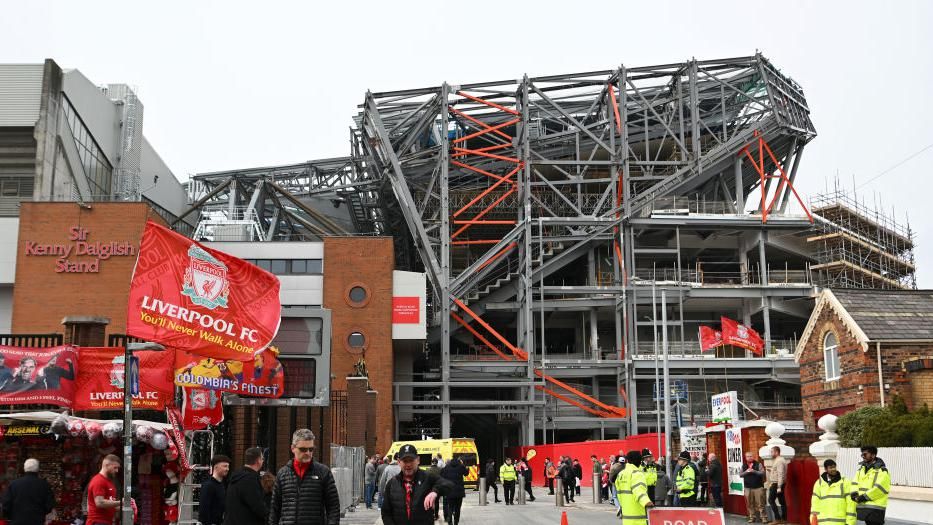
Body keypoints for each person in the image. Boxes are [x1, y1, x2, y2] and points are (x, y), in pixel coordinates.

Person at [269, 429, 340, 525]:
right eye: (303, 449)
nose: (308, 452)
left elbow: (333, 506)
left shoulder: (323, 472)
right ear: (292, 448)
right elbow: (275, 508)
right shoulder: (282, 474)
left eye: (311, 449)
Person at [381, 444, 453, 525]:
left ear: (418, 460)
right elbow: (386, 513)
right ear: (399, 462)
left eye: (411, 460)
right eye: (405, 461)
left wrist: (435, 491)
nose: (408, 464)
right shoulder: (392, 484)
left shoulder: (427, 477)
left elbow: (449, 485)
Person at [0, 458, 55, 525]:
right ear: (38, 469)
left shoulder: (14, 484)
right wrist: (40, 513)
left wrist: (12, 517)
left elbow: (6, 505)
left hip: (17, 522)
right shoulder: (44, 485)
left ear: (24, 468)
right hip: (37, 521)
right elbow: (49, 505)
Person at [224, 448, 266, 525]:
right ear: (258, 460)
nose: (263, 461)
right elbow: (257, 506)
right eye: (262, 458)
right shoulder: (250, 479)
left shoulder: (236, 476)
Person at [851, 445, 890, 525]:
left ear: (873, 455)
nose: (863, 456)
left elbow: (880, 489)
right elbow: (854, 483)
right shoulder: (861, 469)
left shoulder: (882, 471)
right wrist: (854, 494)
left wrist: (863, 497)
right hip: (865, 507)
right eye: (862, 454)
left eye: (865, 454)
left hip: (876, 509)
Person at [614, 450, 654, 525]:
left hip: (626, 516)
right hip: (638, 517)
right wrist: (647, 502)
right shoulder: (636, 473)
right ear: (639, 461)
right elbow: (639, 491)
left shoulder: (621, 474)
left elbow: (618, 493)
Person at [811, 460, 856, 525]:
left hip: (840, 523)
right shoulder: (819, 484)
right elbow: (815, 503)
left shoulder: (845, 482)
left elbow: (851, 504)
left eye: (834, 467)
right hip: (823, 523)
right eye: (831, 467)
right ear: (826, 469)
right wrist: (813, 520)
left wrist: (850, 522)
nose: (833, 469)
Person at [86, 455, 121, 525]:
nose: (117, 471)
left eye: (118, 468)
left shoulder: (108, 481)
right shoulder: (98, 481)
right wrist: (121, 502)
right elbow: (100, 503)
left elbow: (110, 503)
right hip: (98, 522)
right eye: (115, 468)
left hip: (104, 521)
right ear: (107, 465)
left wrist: (126, 506)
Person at [199, 455, 231, 525]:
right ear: (216, 467)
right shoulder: (208, 485)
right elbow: (203, 510)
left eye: (228, 466)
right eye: (225, 466)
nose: (227, 469)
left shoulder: (222, 484)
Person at [739, 451, 767, 523]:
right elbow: (740, 475)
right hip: (748, 487)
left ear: (753, 457)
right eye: (748, 456)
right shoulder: (744, 465)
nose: (749, 457)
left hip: (758, 487)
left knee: (760, 503)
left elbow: (763, 473)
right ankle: (752, 517)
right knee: (750, 504)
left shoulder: (758, 464)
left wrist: (754, 471)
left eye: (751, 456)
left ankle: (763, 517)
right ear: (745, 458)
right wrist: (747, 471)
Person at [440, 457, 467, 525]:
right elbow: (466, 473)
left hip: (449, 491)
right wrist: (464, 466)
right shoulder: (461, 466)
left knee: (450, 507)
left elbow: (442, 476)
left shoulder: (446, 468)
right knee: (458, 508)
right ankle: (456, 523)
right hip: (459, 492)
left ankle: (449, 522)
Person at [768, 447, 788, 525]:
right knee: (782, 501)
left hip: (776, 484)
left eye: (772, 452)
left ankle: (778, 519)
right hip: (778, 483)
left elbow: (781, 474)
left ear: (777, 452)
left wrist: (779, 486)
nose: (771, 453)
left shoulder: (779, 461)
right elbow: (779, 472)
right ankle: (784, 519)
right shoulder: (779, 460)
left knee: (771, 500)